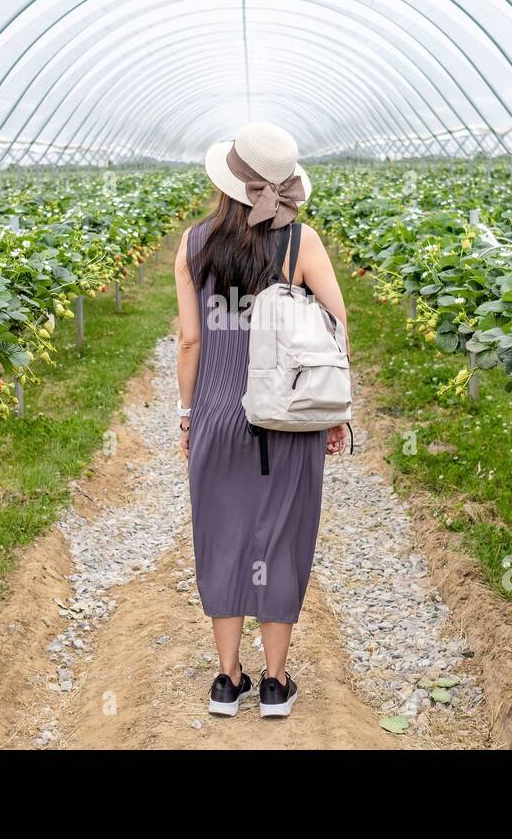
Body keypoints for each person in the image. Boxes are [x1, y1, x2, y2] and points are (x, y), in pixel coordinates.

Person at [174, 121, 350, 719]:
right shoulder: (302, 244)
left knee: (222, 537)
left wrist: (187, 417)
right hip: (289, 419)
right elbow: (334, 332)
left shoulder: (194, 243)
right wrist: (332, 413)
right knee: (281, 539)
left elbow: (191, 342)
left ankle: (227, 680)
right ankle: (275, 683)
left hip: (220, 416)